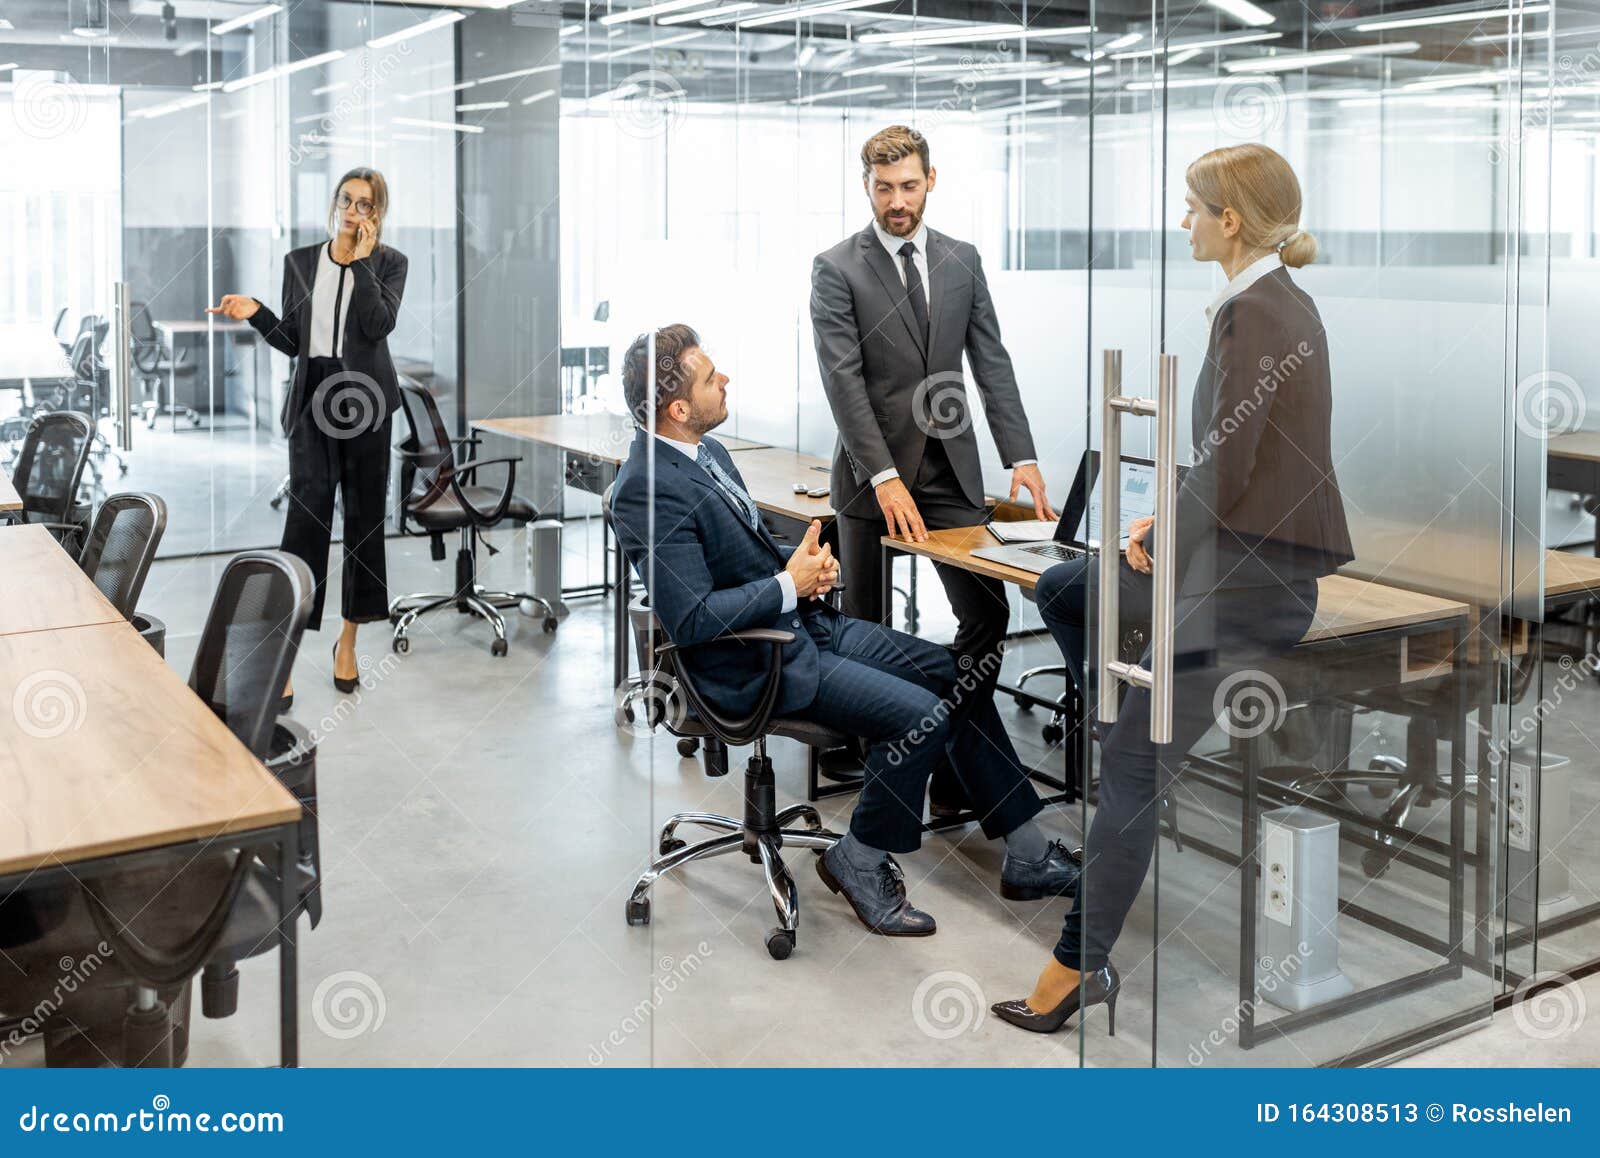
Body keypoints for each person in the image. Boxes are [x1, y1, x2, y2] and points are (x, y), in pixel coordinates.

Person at [991, 144, 1355, 1034]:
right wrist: (1166, 523)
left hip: (1257, 579)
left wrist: (1183, 525)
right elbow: (1237, 460)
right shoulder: (1262, 303)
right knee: (1068, 588)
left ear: (1229, 220)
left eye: (1191, 207)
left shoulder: (1259, 312)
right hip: (1230, 553)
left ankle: (1079, 965)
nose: (1181, 221)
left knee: (1130, 765)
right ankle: (1118, 716)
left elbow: (1232, 467)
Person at [610, 324, 1082, 936]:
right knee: (920, 714)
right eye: (709, 378)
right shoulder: (647, 487)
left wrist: (805, 562)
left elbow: (739, 552)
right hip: (751, 659)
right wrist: (789, 584)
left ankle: (1027, 851)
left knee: (954, 674)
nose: (724, 379)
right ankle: (857, 858)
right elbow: (693, 616)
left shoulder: (711, 454)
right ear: (678, 409)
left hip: (803, 622)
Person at [811, 124, 1054, 816]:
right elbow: (844, 381)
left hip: (950, 471)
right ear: (866, 187)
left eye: (908, 186)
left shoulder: (961, 260)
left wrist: (1023, 457)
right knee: (863, 625)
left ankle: (956, 757)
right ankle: (881, 776)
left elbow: (991, 362)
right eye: (883, 188)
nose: (896, 200)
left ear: (931, 181)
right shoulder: (837, 268)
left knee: (985, 609)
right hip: (870, 478)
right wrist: (883, 474)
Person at [208, 167, 408, 708]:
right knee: (306, 520)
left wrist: (361, 261)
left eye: (364, 204)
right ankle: (289, 649)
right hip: (314, 396)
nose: (351, 210)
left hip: (365, 399)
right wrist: (256, 314)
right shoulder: (299, 262)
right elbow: (294, 341)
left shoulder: (389, 264)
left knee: (365, 522)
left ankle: (348, 643)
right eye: (346, 200)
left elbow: (376, 325)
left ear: (377, 214)